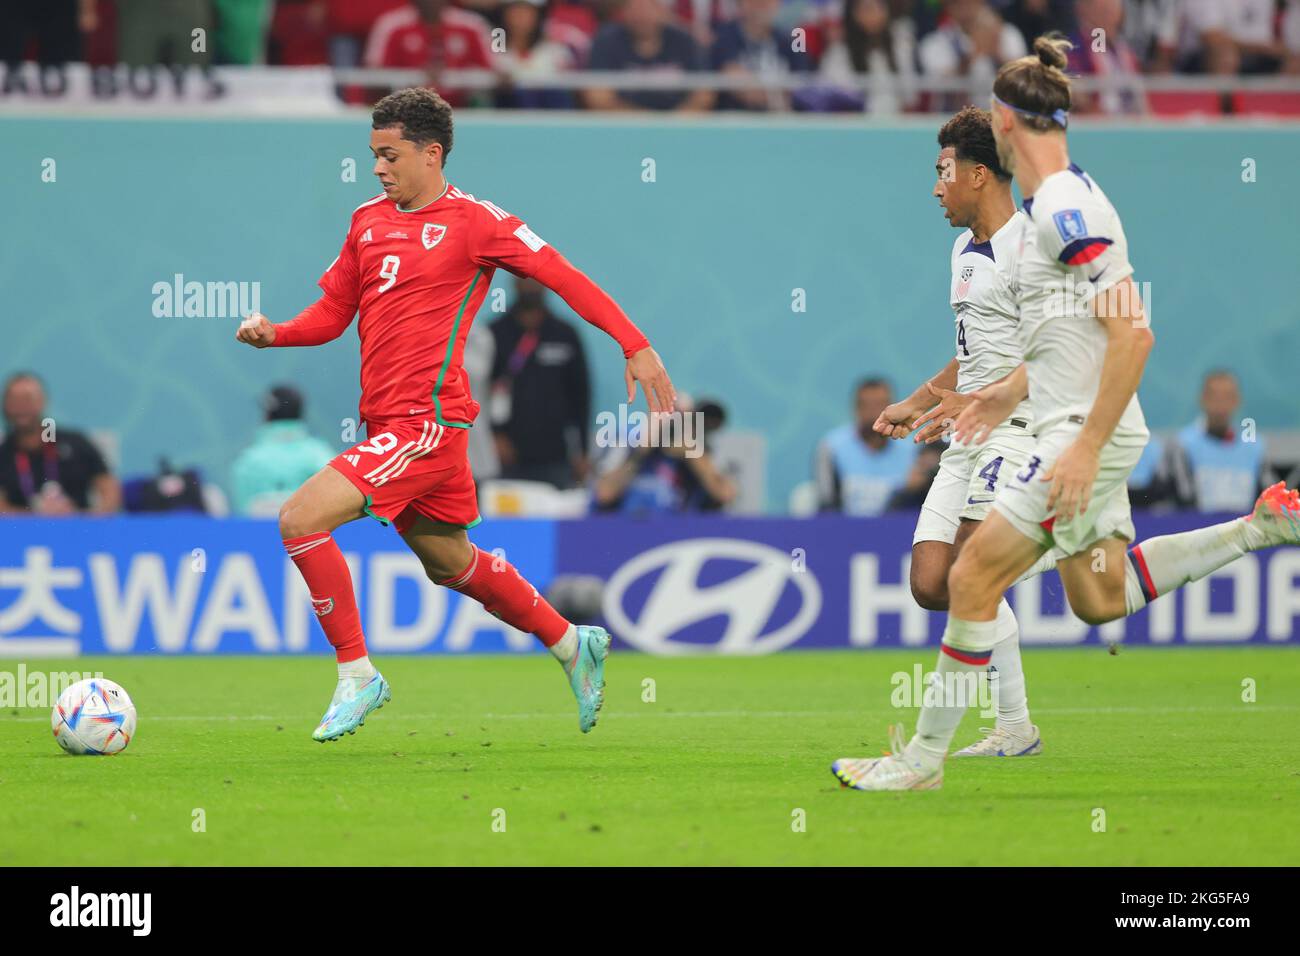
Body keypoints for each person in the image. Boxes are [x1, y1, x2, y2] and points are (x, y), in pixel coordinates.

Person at [833, 34, 1300, 791]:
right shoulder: (1055, 204)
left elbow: (1133, 330)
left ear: (1008, 126)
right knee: (1098, 598)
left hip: (1081, 435)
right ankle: (1261, 528)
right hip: (1077, 426)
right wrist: (988, 394)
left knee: (972, 575)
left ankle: (921, 762)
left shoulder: (1060, 211)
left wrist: (1086, 445)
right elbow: (1066, 339)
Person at [235, 87, 675, 742]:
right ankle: (568, 641)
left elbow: (562, 275)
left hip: (427, 423)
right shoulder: (366, 221)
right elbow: (332, 314)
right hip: (391, 426)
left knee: (299, 520)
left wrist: (634, 343)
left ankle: (357, 673)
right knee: (449, 562)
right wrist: (279, 333)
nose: (377, 168)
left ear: (431, 153)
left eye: (389, 155)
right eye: (373, 155)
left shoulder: (478, 222)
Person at [865, 106, 1057, 761]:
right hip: (967, 438)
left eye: (943, 172)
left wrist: (993, 399)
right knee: (930, 583)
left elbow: (1057, 349)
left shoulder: (1032, 247)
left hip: (1018, 432)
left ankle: (1007, 728)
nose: (935, 186)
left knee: (975, 572)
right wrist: (917, 402)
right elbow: (972, 351)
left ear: (979, 174)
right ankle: (1044, 549)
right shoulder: (962, 250)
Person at [488, 276, 592, 488]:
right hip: (507, 458)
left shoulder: (565, 334)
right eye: (524, 279)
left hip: (557, 457)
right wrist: (494, 437)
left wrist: (583, 451)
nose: (531, 286)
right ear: (514, 284)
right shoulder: (495, 334)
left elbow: (581, 396)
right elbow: (479, 393)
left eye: (536, 280)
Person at [0, 371, 121, 515]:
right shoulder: (4, 453)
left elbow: (108, 488)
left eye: (27, 399)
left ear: (43, 401)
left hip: (78, 531)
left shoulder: (76, 443)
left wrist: (91, 518)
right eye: (13, 400)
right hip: (23, 533)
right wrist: (35, 516)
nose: (20, 407)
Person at [592, 395, 736, 513]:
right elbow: (604, 494)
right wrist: (643, 449)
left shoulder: (700, 449)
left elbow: (725, 494)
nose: (674, 428)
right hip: (627, 524)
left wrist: (693, 453)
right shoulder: (629, 439)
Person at [1163, 370, 1267, 513]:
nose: (1220, 404)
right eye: (1214, 397)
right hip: (1198, 531)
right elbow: (1181, 501)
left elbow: (1268, 500)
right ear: (1202, 399)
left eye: (1227, 397)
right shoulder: (1183, 444)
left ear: (1237, 400)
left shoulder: (1254, 446)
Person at [583, 0, 715, 112]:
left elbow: (704, 95)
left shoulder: (685, 40)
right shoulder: (607, 40)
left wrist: (675, 123)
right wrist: (647, 122)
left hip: (680, 130)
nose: (642, 15)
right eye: (635, 8)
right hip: (623, 131)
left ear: (662, 11)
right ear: (624, 11)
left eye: (648, 8)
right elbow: (597, 97)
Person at [814, 378, 915, 516]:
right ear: (855, 408)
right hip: (847, 532)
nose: (873, 412)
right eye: (866, 405)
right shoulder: (832, 447)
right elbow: (827, 504)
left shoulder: (913, 450)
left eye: (881, 405)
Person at [231, 385, 337, 516]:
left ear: (267, 414)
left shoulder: (249, 462)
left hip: (260, 535)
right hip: (314, 534)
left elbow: (244, 512)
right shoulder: (323, 457)